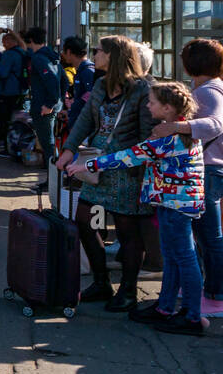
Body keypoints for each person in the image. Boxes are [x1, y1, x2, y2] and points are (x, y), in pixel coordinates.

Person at [68, 80, 207, 335]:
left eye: (152, 102)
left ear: (166, 109)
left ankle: (192, 315)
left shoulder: (169, 139)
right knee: (175, 258)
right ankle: (167, 308)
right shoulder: (177, 134)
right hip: (172, 203)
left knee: (184, 258)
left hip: (175, 205)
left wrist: (87, 166)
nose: (147, 105)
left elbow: (130, 155)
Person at [56, 35, 154, 311]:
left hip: (127, 167)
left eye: (99, 51)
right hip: (97, 164)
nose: (94, 54)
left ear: (112, 56)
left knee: (127, 230)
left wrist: (141, 167)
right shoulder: (100, 85)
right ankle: (101, 282)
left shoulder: (143, 90)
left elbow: (148, 135)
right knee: (83, 219)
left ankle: (128, 290)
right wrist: (68, 149)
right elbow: (86, 119)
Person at [152, 39, 223, 319]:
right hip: (214, 171)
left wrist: (175, 126)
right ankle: (200, 292)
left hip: (207, 171)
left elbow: (214, 125)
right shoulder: (217, 86)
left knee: (207, 240)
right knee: (202, 239)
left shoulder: (209, 90)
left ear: (192, 63)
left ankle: (213, 297)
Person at [23, 27, 62, 185]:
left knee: (48, 145)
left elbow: (52, 80)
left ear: (31, 40)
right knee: (49, 144)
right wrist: (59, 102)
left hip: (43, 108)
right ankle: (54, 179)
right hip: (51, 106)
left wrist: (49, 103)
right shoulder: (52, 56)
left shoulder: (39, 58)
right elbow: (63, 81)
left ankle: (52, 182)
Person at [0, 28, 29, 157]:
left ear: (11, 41)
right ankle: (14, 145)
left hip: (7, 92)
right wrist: (9, 33)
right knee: (15, 119)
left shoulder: (8, 55)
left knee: (5, 120)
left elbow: (3, 72)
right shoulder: (22, 51)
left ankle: (6, 148)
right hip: (20, 91)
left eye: (5, 41)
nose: (3, 43)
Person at [60, 36, 95, 138]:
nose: (62, 54)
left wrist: (74, 107)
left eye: (63, 51)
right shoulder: (80, 71)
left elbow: (90, 95)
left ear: (69, 52)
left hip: (83, 126)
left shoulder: (87, 71)